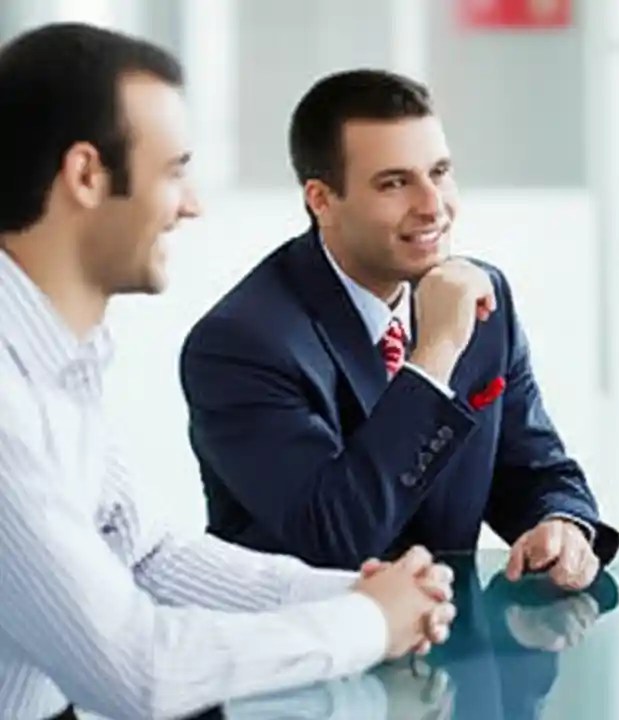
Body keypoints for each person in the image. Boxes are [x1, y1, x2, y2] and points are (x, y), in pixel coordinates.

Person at [0, 23, 455, 720]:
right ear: (87, 176)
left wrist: (362, 595)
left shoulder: (58, 357)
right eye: (173, 170)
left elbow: (148, 553)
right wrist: (366, 624)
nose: (192, 204)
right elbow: (136, 672)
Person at [179, 70, 619, 589]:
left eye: (440, 172)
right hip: (309, 649)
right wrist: (434, 352)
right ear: (321, 199)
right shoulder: (241, 344)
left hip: (452, 643)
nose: (433, 205)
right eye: (395, 183)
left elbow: (532, 469)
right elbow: (336, 537)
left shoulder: (480, 296)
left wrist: (560, 522)